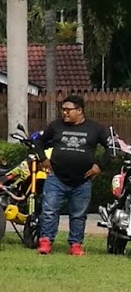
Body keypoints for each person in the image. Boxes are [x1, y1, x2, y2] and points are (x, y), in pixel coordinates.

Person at [37, 94, 110, 256]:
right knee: (49, 211)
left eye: (68, 110)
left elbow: (112, 147)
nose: (64, 113)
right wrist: (43, 159)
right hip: (56, 178)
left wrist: (100, 166)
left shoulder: (95, 128)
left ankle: (76, 245)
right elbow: (39, 141)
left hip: (82, 181)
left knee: (78, 215)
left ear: (79, 110)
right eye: (62, 110)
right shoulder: (55, 126)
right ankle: (45, 242)